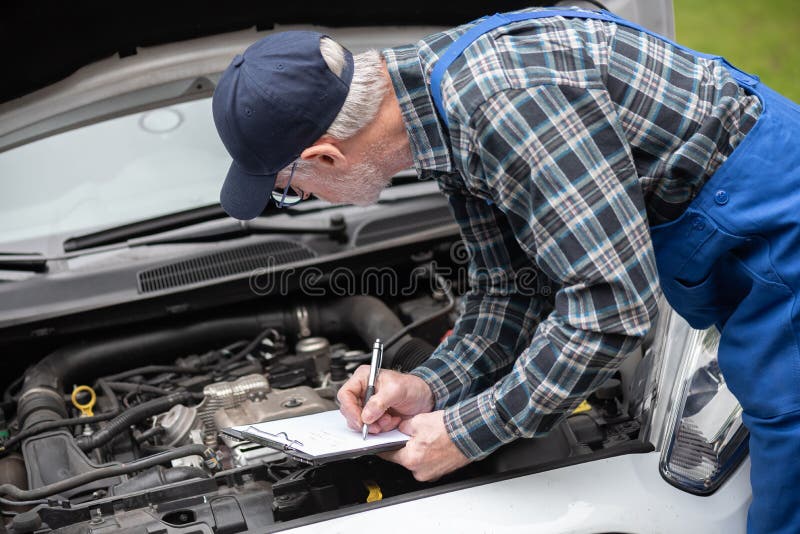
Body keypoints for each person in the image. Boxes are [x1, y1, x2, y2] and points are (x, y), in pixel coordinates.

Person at [211, 7, 800, 533]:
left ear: (323, 157)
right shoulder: (436, 111)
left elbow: (610, 310)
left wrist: (467, 435)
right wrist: (428, 388)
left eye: (291, 190)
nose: (304, 199)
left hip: (780, 227)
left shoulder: (503, 104)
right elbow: (510, 293)